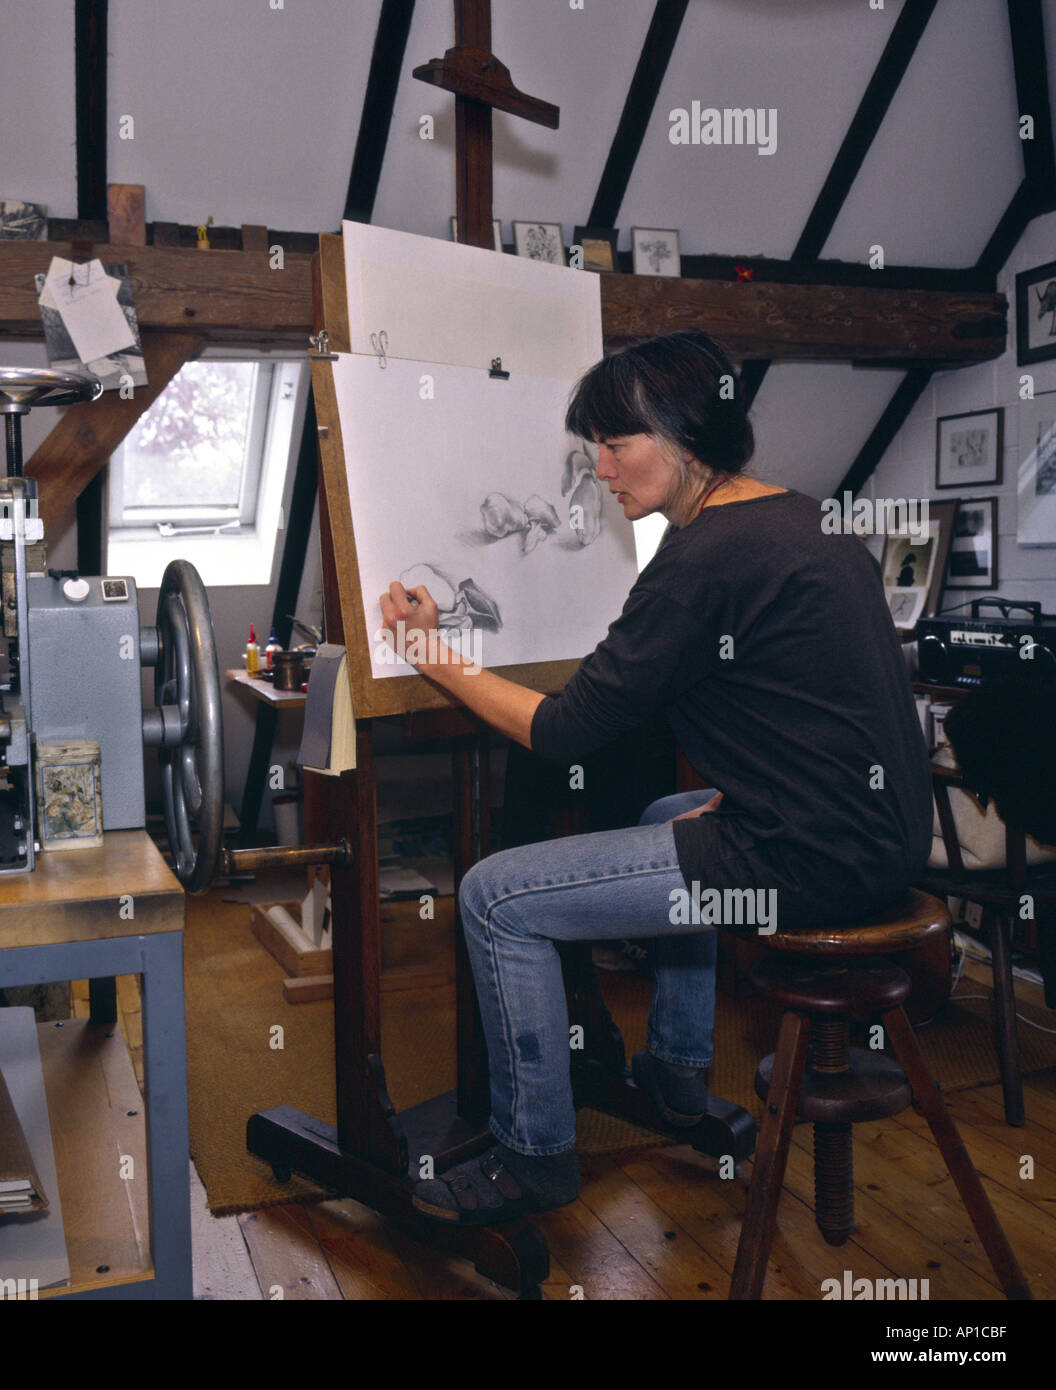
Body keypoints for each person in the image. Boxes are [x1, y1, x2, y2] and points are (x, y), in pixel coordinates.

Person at [378, 329, 933, 1226]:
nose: (600, 469)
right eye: (593, 447)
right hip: (884, 838)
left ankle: (535, 1158)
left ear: (684, 437)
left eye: (616, 443)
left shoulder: (703, 555)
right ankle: (676, 1073)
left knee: (491, 896)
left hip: (810, 861)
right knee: (676, 805)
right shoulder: (802, 519)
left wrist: (426, 654)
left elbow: (561, 731)